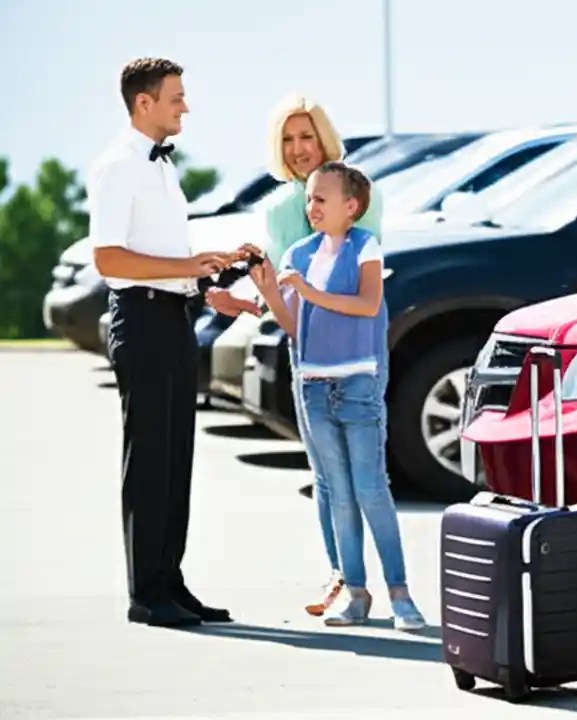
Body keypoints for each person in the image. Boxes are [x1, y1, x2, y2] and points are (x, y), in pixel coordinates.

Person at [90, 57, 261, 627]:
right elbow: (109, 259)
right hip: (139, 323)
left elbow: (161, 260)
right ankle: (146, 593)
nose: (185, 106)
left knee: (176, 461)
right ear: (144, 103)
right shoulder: (118, 166)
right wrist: (186, 263)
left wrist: (211, 281)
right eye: (176, 97)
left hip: (172, 319)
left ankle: (170, 580)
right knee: (149, 461)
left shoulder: (161, 167)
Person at [249, 161, 425, 631]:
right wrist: (269, 291)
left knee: (371, 490)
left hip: (358, 387)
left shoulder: (365, 248)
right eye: (309, 198)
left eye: (321, 198)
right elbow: (292, 327)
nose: (312, 207)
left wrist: (306, 290)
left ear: (352, 207)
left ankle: (401, 593)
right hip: (313, 388)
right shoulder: (297, 255)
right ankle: (357, 594)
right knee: (341, 497)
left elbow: (366, 305)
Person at [257, 93, 385, 618]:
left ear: (325, 138)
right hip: (304, 353)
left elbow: (361, 282)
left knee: (367, 478)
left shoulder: (362, 196)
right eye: (287, 139)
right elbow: (287, 296)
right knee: (326, 477)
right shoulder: (278, 209)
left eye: (306, 136)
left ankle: (384, 583)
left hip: (358, 351)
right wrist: (247, 300)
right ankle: (344, 580)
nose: (297, 148)